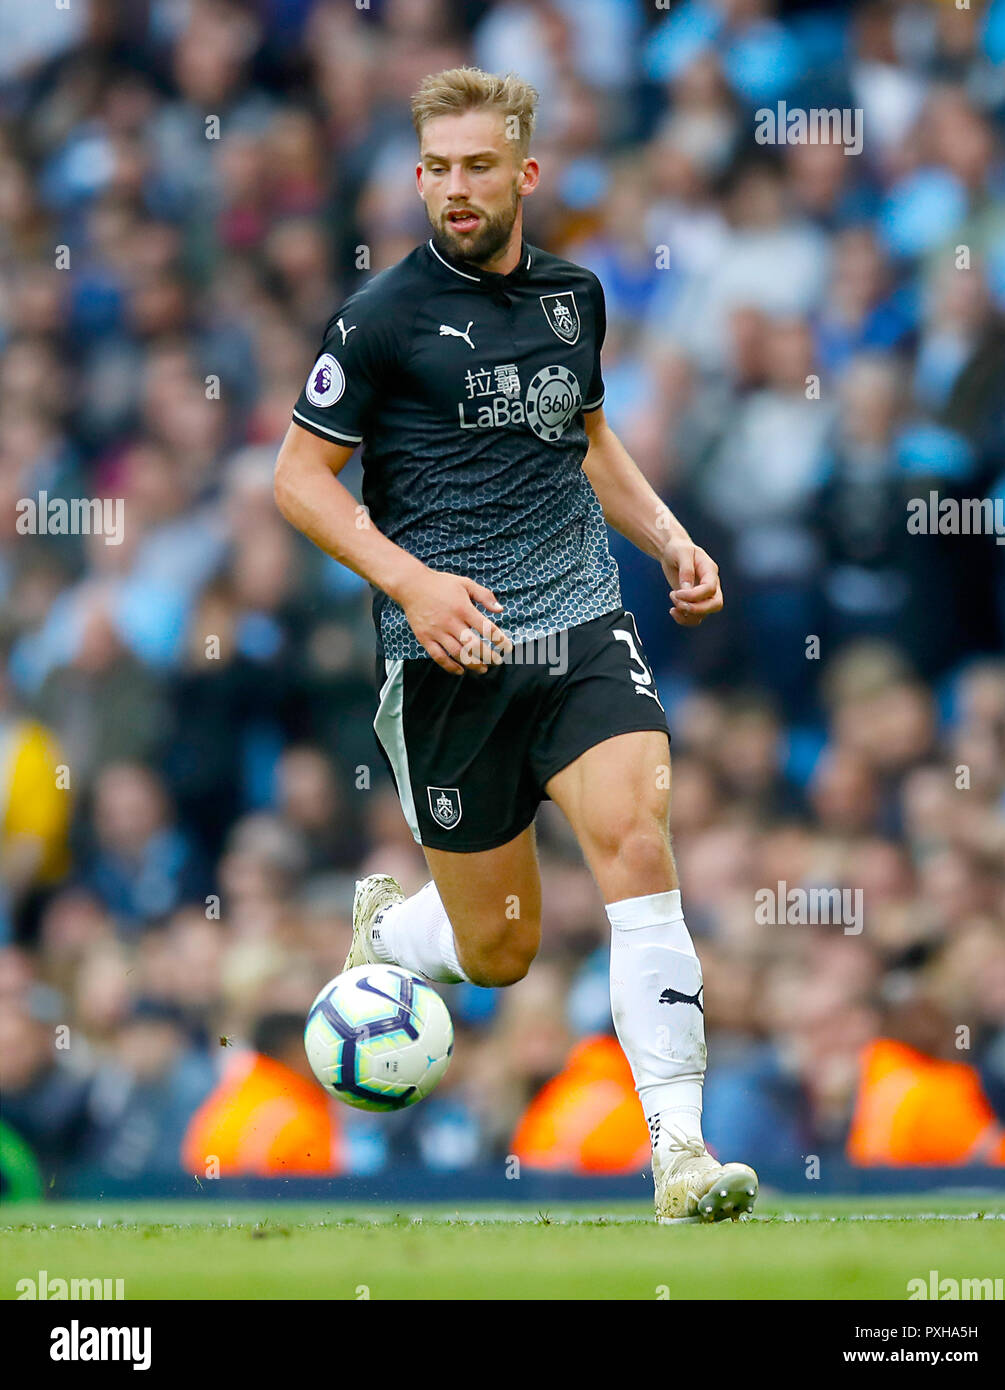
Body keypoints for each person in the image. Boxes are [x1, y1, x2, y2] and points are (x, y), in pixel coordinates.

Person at [274, 66, 757, 1223]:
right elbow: (296, 478)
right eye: (435, 168)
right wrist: (410, 582)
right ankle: (392, 930)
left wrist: (667, 537)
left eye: (477, 165)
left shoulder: (572, 298)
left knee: (639, 841)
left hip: (584, 622)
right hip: (452, 658)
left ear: (524, 172)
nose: (454, 188)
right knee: (499, 952)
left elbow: (583, 435)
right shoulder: (377, 320)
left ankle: (679, 1152)